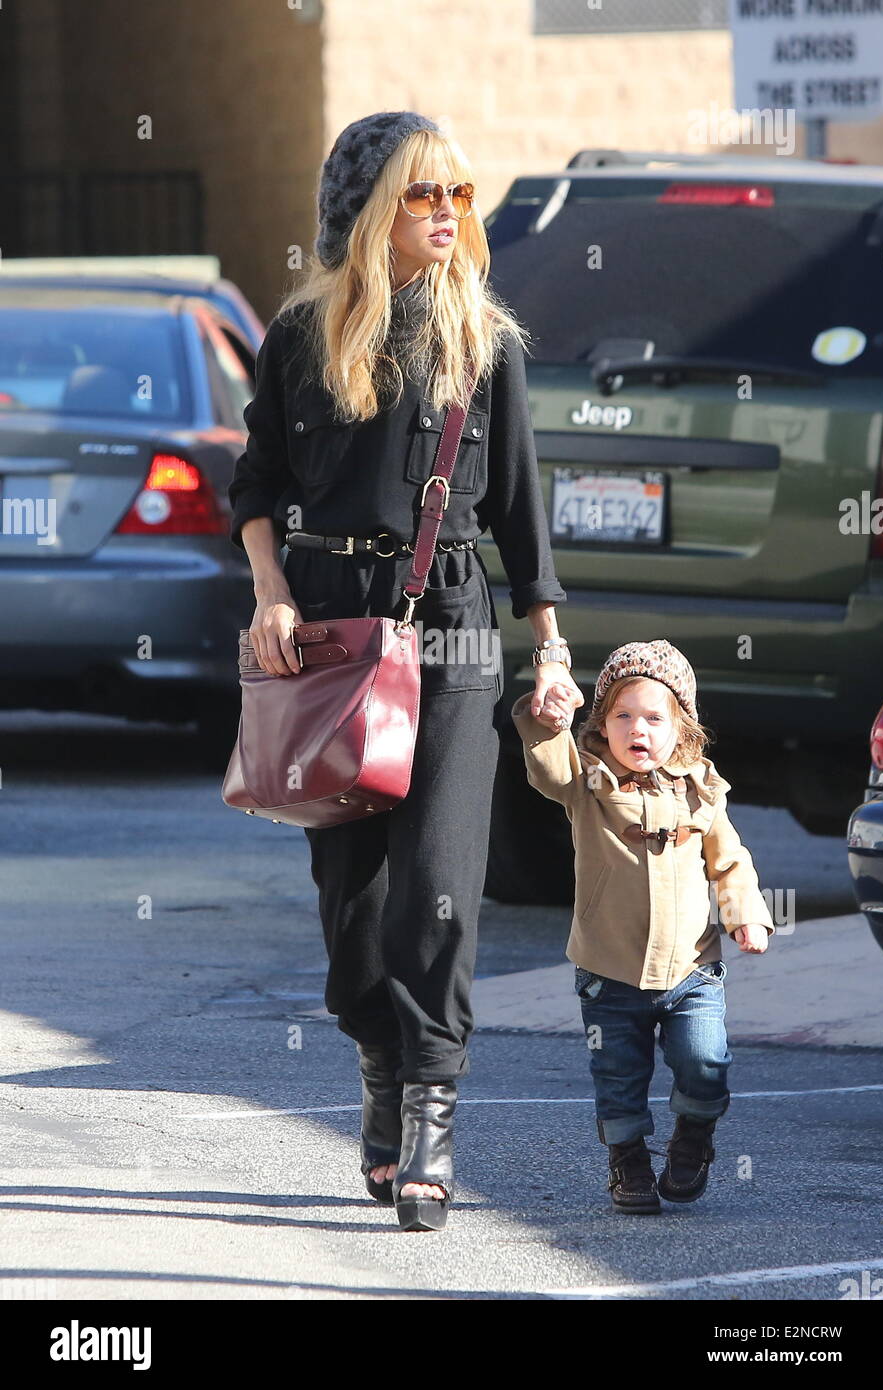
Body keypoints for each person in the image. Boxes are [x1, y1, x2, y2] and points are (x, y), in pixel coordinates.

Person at [227, 111, 583, 1231]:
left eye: (458, 197)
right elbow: (255, 483)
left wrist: (552, 644)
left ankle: (429, 1111)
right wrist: (270, 593)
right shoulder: (301, 336)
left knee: (437, 881)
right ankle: (380, 1060)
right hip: (331, 630)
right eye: (424, 197)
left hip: (456, 634)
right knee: (352, 907)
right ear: (371, 212)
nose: (446, 216)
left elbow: (523, 513)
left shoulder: (486, 341)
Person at [510, 638, 775, 1214]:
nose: (639, 730)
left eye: (655, 718)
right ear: (602, 726)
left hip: (691, 971)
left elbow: (729, 861)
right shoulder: (586, 786)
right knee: (619, 1077)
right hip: (610, 972)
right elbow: (548, 767)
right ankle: (627, 1158)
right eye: (622, 716)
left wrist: (746, 916)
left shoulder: (701, 791)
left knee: (706, 1063)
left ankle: (694, 1136)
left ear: (683, 729)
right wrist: (547, 719)